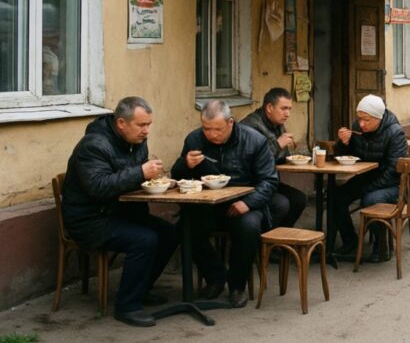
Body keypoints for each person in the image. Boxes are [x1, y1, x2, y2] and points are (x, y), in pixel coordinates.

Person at [61, 96, 177, 328]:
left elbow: (131, 180)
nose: (146, 131)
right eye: (141, 125)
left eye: (148, 124)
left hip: (119, 211)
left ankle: (141, 289)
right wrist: (141, 174)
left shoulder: (136, 141)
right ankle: (127, 306)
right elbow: (98, 187)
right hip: (90, 219)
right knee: (145, 239)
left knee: (169, 233)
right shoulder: (93, 145)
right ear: (121, 123)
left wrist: (160, 182)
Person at [172, 100, 278, 308]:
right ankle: (216, 276)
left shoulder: (254, 140)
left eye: (217, 129)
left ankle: (237, 285)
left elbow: (270, 180)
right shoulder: (194, 139)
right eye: (206, 128)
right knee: (185, 226)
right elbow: (177, 175)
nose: (211, 134)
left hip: (245, 203)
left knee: (248, 227)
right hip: (208, 204)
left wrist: (248, 203)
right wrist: (185, 164)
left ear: (231, 123)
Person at [330, 95, 408, 262]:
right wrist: (342, 143)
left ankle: (381, 248)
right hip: (367, 177)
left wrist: (369, 187)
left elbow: (394, 170)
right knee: (336, 196)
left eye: (366, 120)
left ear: (378, 118)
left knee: (372, 199)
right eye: (359, 119)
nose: (361, 124)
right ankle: (350, 241)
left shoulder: (395, 133)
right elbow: (342, 155)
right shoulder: (357, 128)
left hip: (393, 183)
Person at [240, 88, 307, 228]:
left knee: (299, 199)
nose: (287, 114)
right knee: (282, 204)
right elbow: (249, 163)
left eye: (289, 109)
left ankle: (280, 241)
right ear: (269, 107)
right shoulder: (249, 127)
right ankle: (264, 243)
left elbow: (280, 156)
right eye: (284, 108)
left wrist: (292, 156)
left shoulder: (277, 123)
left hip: (269, 182)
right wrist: (277, 145)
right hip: (251, 184)